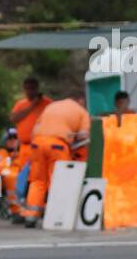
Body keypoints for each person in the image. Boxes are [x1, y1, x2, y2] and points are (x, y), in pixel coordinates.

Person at [20, 89, 90, 228]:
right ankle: (57, 216)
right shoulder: (81, 111)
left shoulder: (51, 106)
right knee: (58, 182)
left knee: (37, 181)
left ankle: (30, 216)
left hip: (37, 144)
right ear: (81, 100)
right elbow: (83, 136)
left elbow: (35, 129)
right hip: (57, 146)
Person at [9, 77, 52, 149]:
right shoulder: (20, 104)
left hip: (42, 145)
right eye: (27, 88)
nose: (29, 91)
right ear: (24, 89)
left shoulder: (48, 103)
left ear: (37, 88)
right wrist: (32, 106)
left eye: (32, 88)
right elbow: (12, 119)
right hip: (24, 146)